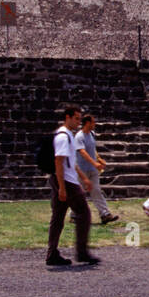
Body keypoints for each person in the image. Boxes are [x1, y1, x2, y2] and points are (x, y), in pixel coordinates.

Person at [46, 106, 100, 267]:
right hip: (66, 181)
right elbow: (59, 162)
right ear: (67, 117)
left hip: (64, 180)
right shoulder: (63, 136)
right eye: (76, 118)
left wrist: (84, 178)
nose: (78, 122)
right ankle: (81, 252)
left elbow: (72, 163)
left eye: (79, 118)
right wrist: (62, 187)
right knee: (84, 213)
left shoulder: (68, 135)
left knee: (57, 218)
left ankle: (52, 254)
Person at [76, 115, 119, 225]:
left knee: (96, 190)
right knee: (78, 193)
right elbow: (82, 152)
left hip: (93, 170)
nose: (94, 124)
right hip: (82, 170)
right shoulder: (79, 137)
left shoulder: (92, 134)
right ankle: (74, 214)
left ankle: (104, 214)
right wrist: (94, 163)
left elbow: (92, 150)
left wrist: (99, 159)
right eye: (93, 122)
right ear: (87, 123)